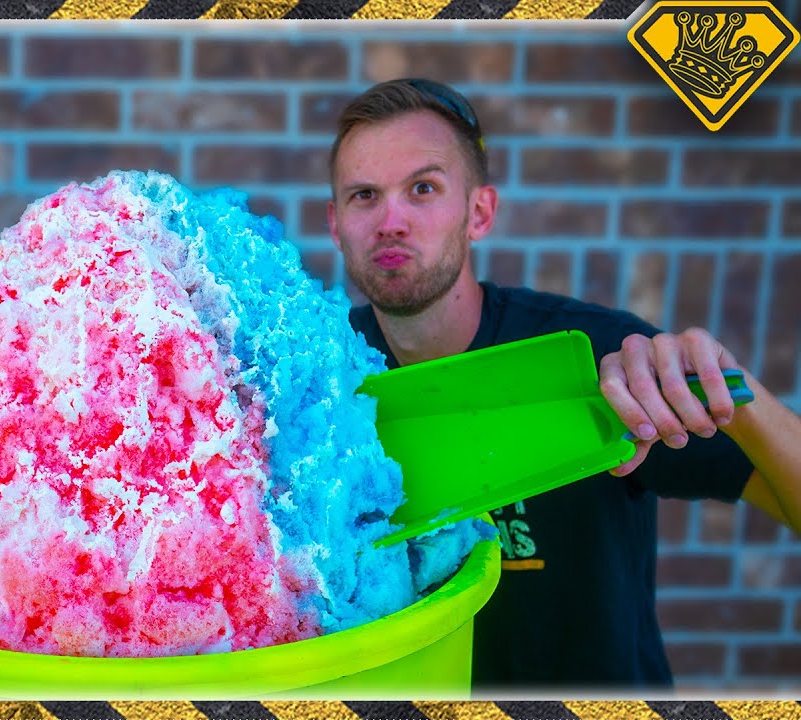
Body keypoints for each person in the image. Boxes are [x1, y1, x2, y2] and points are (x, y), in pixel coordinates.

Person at [327, 78, 801, 692]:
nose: (391, 220)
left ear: (479, 212)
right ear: (336, 224)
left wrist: (734, 390)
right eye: (365, 195)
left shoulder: (603, 363)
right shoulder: (319, 387)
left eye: (423, 188)